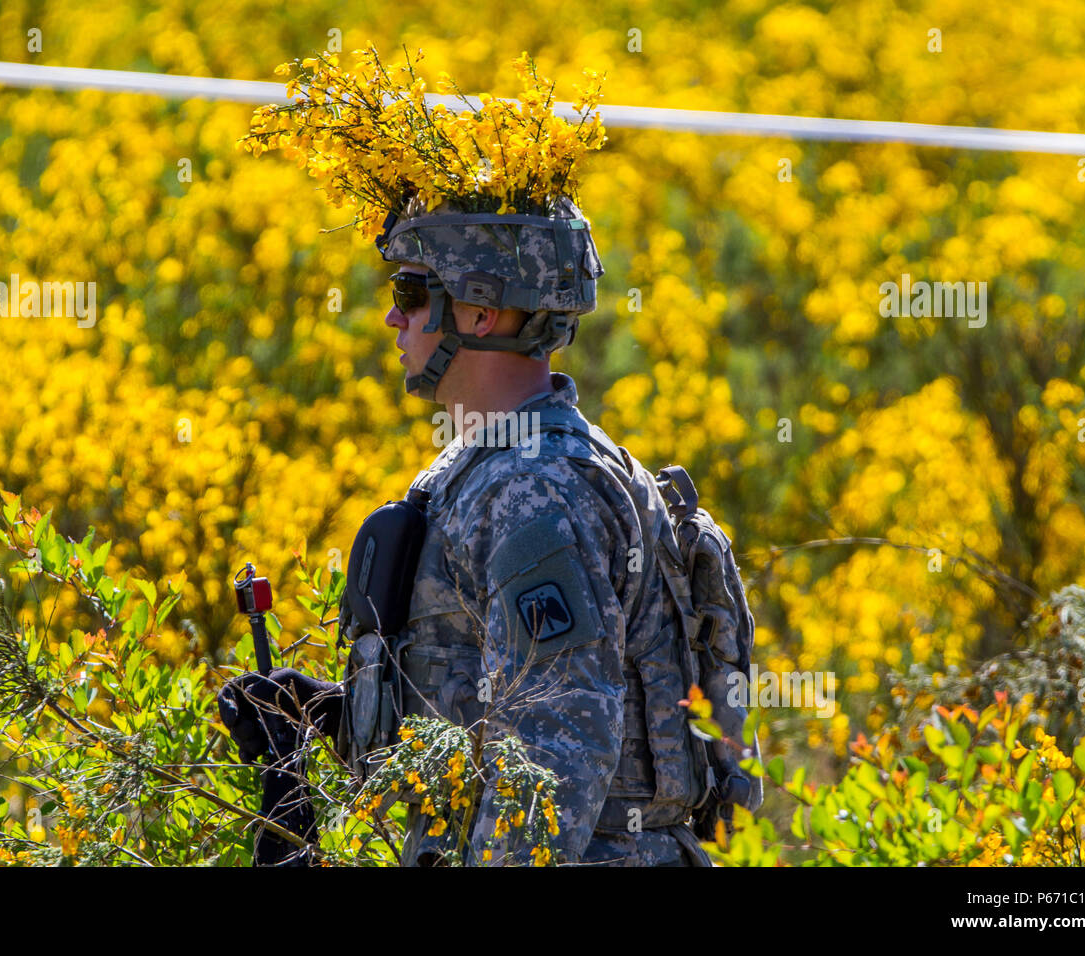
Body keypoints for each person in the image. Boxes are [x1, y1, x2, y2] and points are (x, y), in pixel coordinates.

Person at [220, 193, 758, 865]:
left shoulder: (536, 491)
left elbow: (555, 757)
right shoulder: (480, 468)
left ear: (480, 311)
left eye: (411, 292)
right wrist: (331, 717)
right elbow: (486, 708)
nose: (393, 315)